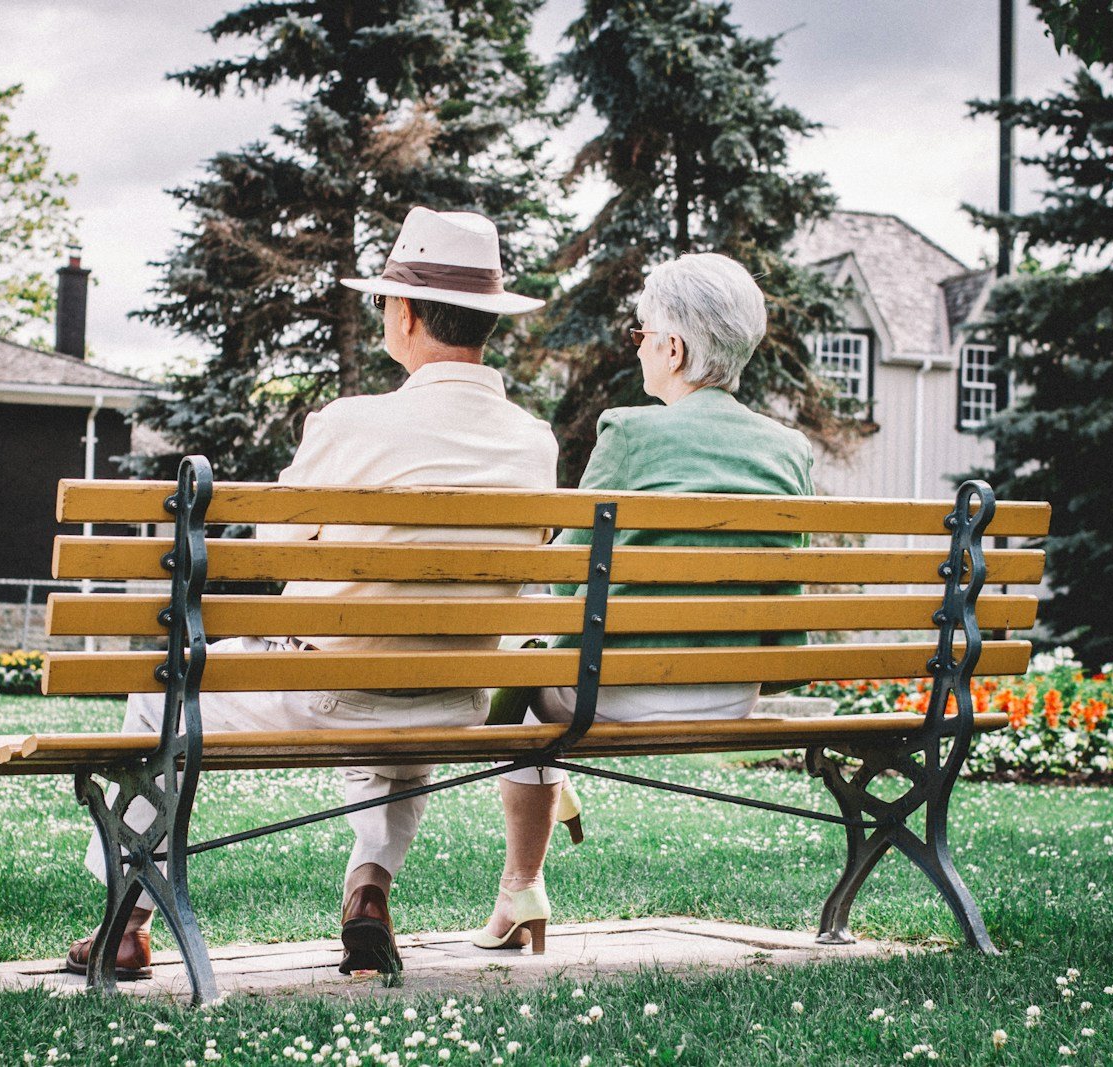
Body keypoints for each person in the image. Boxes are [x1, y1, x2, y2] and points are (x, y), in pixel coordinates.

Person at [67, 206, 557, 979]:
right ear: (487, 322)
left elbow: (278, 550)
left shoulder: (353, 421)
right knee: (402, 689)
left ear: (403, 313)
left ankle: (126, 919)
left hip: (333, 691)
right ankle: (368, 888)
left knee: (157, 697)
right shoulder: (535, 441)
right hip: (453, 697)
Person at [472, 252, 815, 953]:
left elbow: (566, 589)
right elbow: (786, 603)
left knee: (524, 670)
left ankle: (522, 877)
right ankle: (546, 787)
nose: (639, 345)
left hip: (607, 696)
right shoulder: (788, 450)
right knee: (538, 671)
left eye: (644, 332)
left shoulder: (627, 433)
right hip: (728, 698)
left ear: (674, 347)